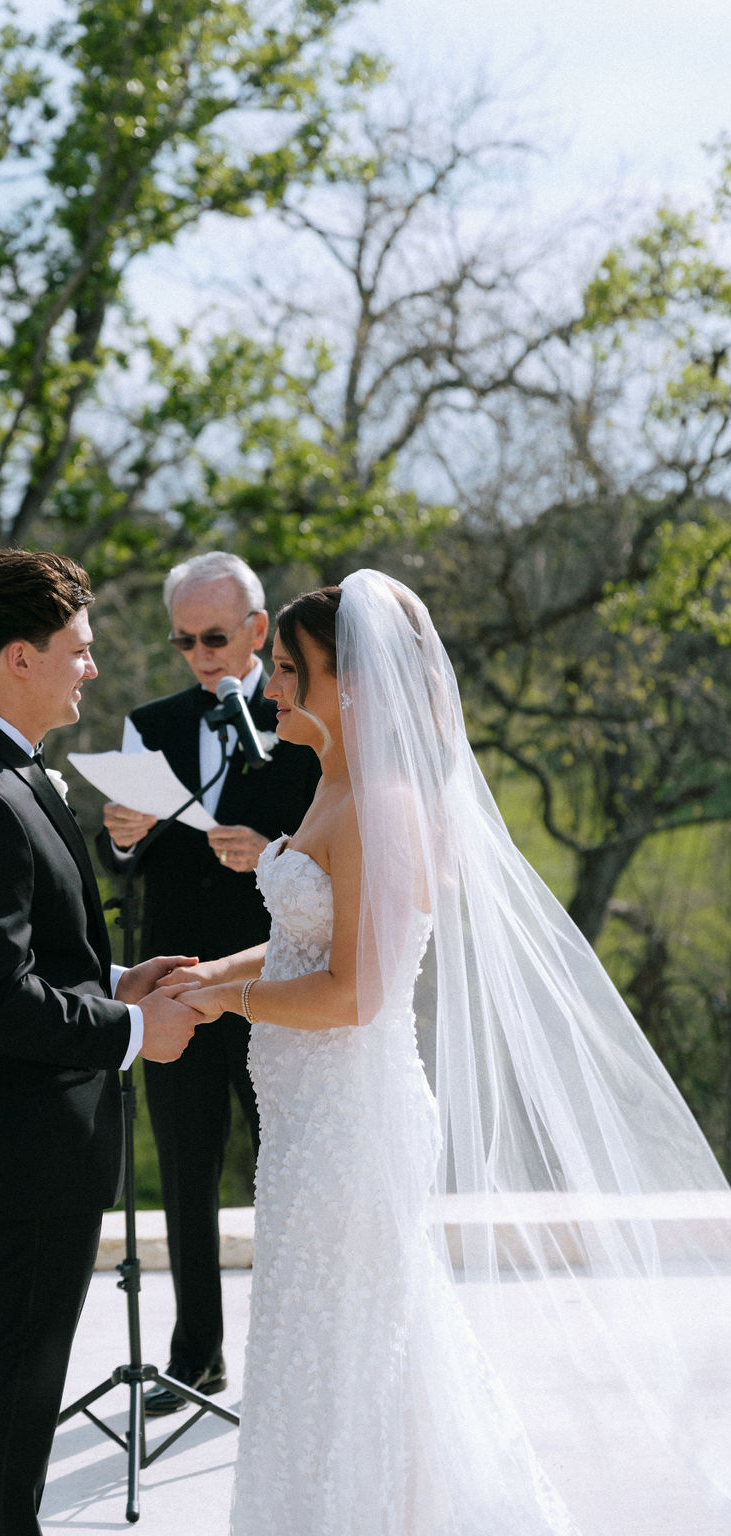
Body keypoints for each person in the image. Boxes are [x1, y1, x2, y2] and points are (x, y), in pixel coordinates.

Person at [167, 569, 731, 1534]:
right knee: (323, 1341)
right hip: (309, 1117)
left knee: (357, 1345)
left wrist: (226, 1000)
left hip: (354, 1118)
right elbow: (316, 940)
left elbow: (358, 992)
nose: (269, 689)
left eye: (290, 670)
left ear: (349, 684)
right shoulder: (331, 784)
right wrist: (208, 969)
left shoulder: (384, 802)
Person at [0, 549, 202, 1536]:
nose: (92, 668)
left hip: (36, 1140)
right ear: (19, 657)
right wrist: (133, 1032)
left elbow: (30, 958)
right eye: (80, 650)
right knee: (11, 1385)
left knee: (20, 1382)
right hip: (12, 1144)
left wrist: (116, 982)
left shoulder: (0, 767)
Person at [97, 552, 320, 1414]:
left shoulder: (303, 718)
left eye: (216, 637)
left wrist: (267, 852)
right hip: (177, 991)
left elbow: (341, 849)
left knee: (288, 1172)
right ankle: (196, 1359)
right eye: (185, 640)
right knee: (186, 1175)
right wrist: (122, 833)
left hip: (280, 983)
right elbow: (122, 860)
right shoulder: (148, 723)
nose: (201, 655)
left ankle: (296, 1351)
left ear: (259, 631)